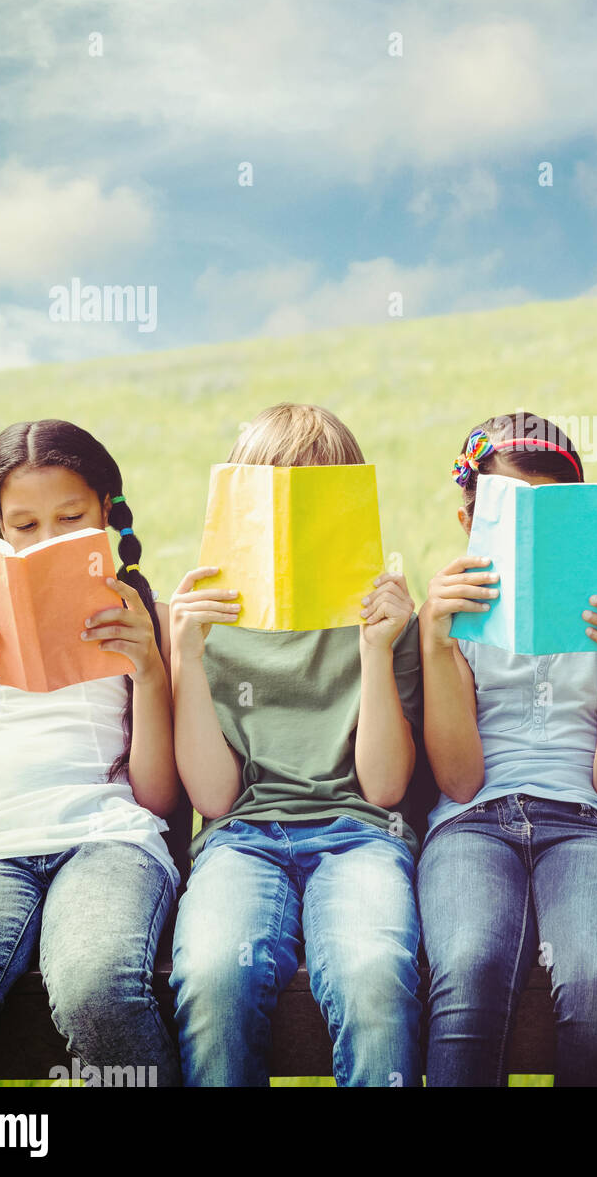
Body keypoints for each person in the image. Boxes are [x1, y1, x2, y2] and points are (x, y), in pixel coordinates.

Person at [0, 419, 180, 1086]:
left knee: (99, 986)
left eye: (71, 518)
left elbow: (159, 797)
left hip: (107, 839)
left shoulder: (135, 615)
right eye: (25, 526)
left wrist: (149, 673)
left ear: (106, 512)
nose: (48, 541)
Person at [168, 403, 425, 1086]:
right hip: (241, 837)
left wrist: (376, 650)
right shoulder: (211, 621)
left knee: (374, 976)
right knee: (214, 975)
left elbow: (386, 789)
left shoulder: (381, 615)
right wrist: (186, 660)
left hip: (361, 834)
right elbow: (215, 797)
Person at [417, 412, 597, 1086]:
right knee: (468, 967)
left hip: (584, 822)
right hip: (471, 823)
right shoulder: (451, 624)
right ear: (470, 523)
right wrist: (436, 643)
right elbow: (459, 781)